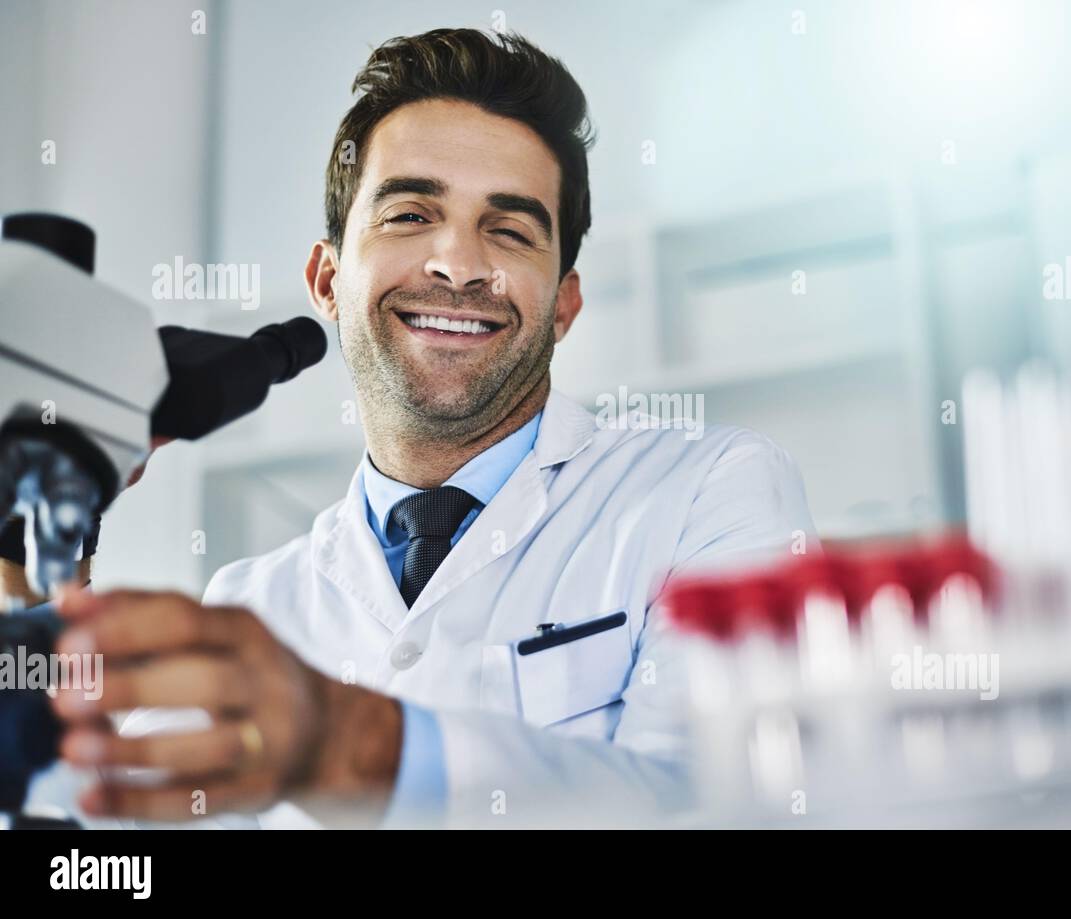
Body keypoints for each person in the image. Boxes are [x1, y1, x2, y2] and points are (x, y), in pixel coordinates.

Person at [42, 27, 815, 828]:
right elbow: (94, 844)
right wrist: (40, 546)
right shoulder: (249, 603)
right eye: (411, 213)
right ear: (328, 280)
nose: (459, 263)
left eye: (510, 230)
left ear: (565, 307)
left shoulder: (709, 493)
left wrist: (356, 745)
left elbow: (734, 807)